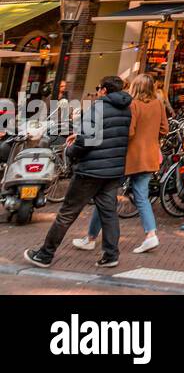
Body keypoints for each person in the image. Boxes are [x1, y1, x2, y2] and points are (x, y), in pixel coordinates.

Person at [25, 75, 133, 270]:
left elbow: (87, 141)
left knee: (67, 213)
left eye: (99, 87)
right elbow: (108, 135)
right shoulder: (126, 110)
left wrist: (70, 151)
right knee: (108, 213)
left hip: (91, 170)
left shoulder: (97, 108)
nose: (98, 90)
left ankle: (44, 254)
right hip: (112, 170)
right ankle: (111, 255)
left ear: (105, 90)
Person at [74, 73, 168, 255]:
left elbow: (130, 131)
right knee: (142, 197)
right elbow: (164, 129)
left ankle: (91, 238)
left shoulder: (132, 105)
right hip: (149, 157)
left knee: (106, 195)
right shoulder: (158, 104)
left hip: (129, 156)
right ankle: (151, 234)